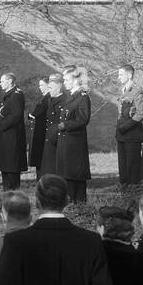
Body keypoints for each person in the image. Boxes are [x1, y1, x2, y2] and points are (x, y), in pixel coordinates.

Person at [54, 66, 92, 204]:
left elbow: (83, 118)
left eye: (66, 79)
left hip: (75, 143)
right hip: (67, 143)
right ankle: (71, 204)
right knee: (67, 175)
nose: (64, 82)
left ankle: (79, 205)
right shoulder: (71, 96)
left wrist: (66, 125)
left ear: (75, 80)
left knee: (75, 176)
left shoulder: (82, 97)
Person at [0, 73, 27, 192]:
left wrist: (2, 125)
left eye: (2, 81)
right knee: (5, 162)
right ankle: (6, 188)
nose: (0, 83)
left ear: (10, 81)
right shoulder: (9, 94)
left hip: (12, 134)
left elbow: (16, 115)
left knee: (11, 163)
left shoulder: (16, 95)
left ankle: (13, 189)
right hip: (6, 134)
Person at [116, 64, 143, 186]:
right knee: (123, 168)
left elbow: (140, 113)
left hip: (132, 135)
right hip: (121, 135)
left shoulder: (137, 91)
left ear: (129, 75)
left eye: (121, 74)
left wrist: (126, 127)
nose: (119, 77)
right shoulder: (122, 90)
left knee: (132, 168)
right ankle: (124, 195)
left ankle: (133, 196)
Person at [40, 72, 66, 177]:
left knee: (55, 167)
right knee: (48, 166)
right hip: (49, 135)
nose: (49, 90)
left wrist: (54, 133)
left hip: (57, 137)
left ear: (58, 88)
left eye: (50, 88)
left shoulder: (65, 100)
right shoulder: (50, 99)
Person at [28, 77, 50, 179]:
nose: (39, 87)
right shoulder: (44, 98)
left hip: (42, 132)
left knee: (41, 157)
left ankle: (42, 178)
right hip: (39, 131)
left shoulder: (48, 98)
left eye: (41, 85)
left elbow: (40, 112)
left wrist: (33, 115)